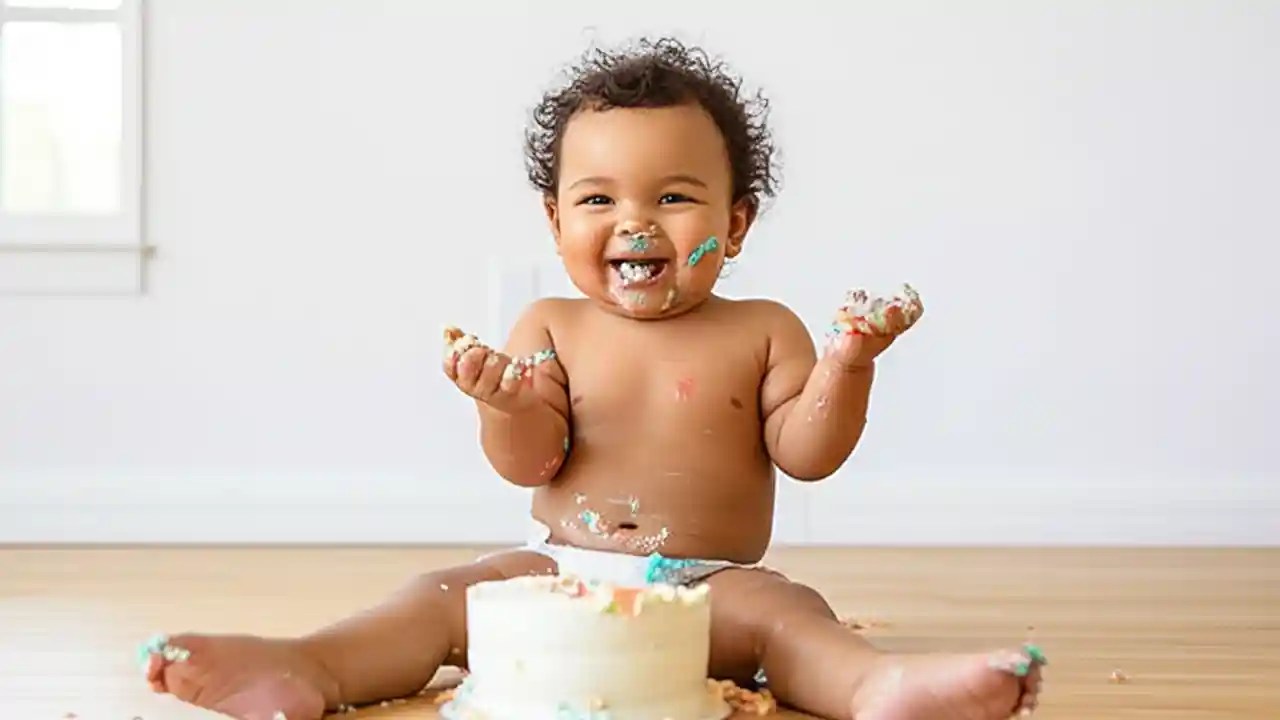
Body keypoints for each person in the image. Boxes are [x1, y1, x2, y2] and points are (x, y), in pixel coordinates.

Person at [143, 36, 1046, 720]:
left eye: (674, 196)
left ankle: (877, 687)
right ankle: (312, 665)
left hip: (709, 587)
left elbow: (807, 455)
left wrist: (849, 364)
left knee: (790, 615)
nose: (637, 223)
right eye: (599, 198)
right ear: (554, 218)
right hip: (556, 571)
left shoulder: (764, 330)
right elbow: (533, 464)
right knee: (439, 600)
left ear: (735, 225)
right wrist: (504, 403)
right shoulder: (550, 327)